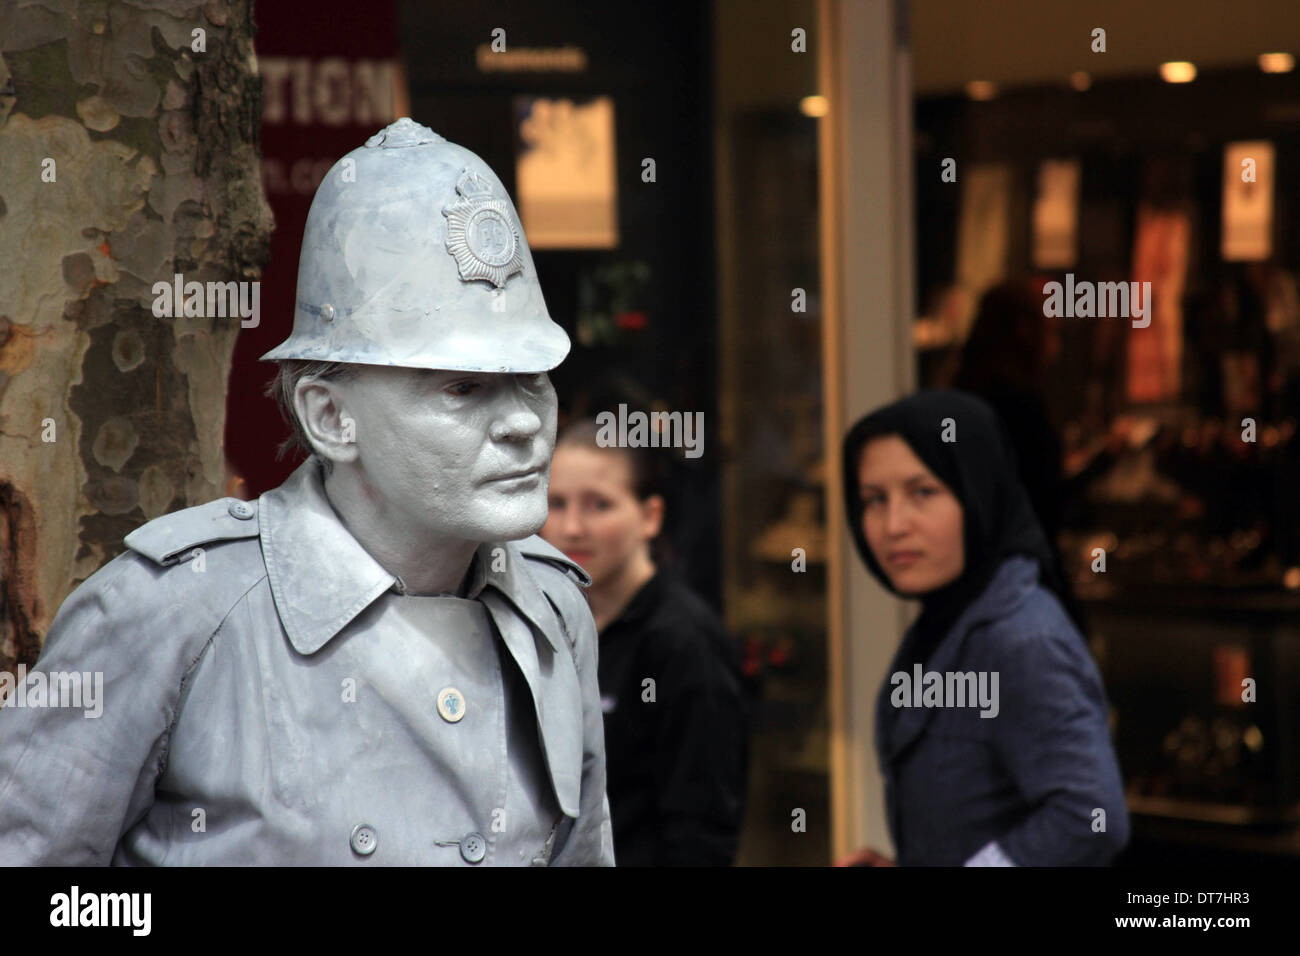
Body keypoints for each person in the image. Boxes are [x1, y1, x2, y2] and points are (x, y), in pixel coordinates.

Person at [0, 119, 614, 866]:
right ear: (331, 416)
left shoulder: (553, 612)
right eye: (464, 387)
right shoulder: (173, 609)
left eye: (533, 378)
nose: (523, 422)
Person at [838, 389, 1128, 866]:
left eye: (922, 492)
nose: (893, 525)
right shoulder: (945, 620)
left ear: (977, 492)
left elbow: (1091, 815)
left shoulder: (1021, 638)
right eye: (874, 499)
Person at [541, 420, 747, 865]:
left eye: (599, 505)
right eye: (556, 504)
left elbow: (701, 832)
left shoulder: (683, 642)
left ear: (650, 516)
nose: (573, 527)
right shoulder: (552, 621)